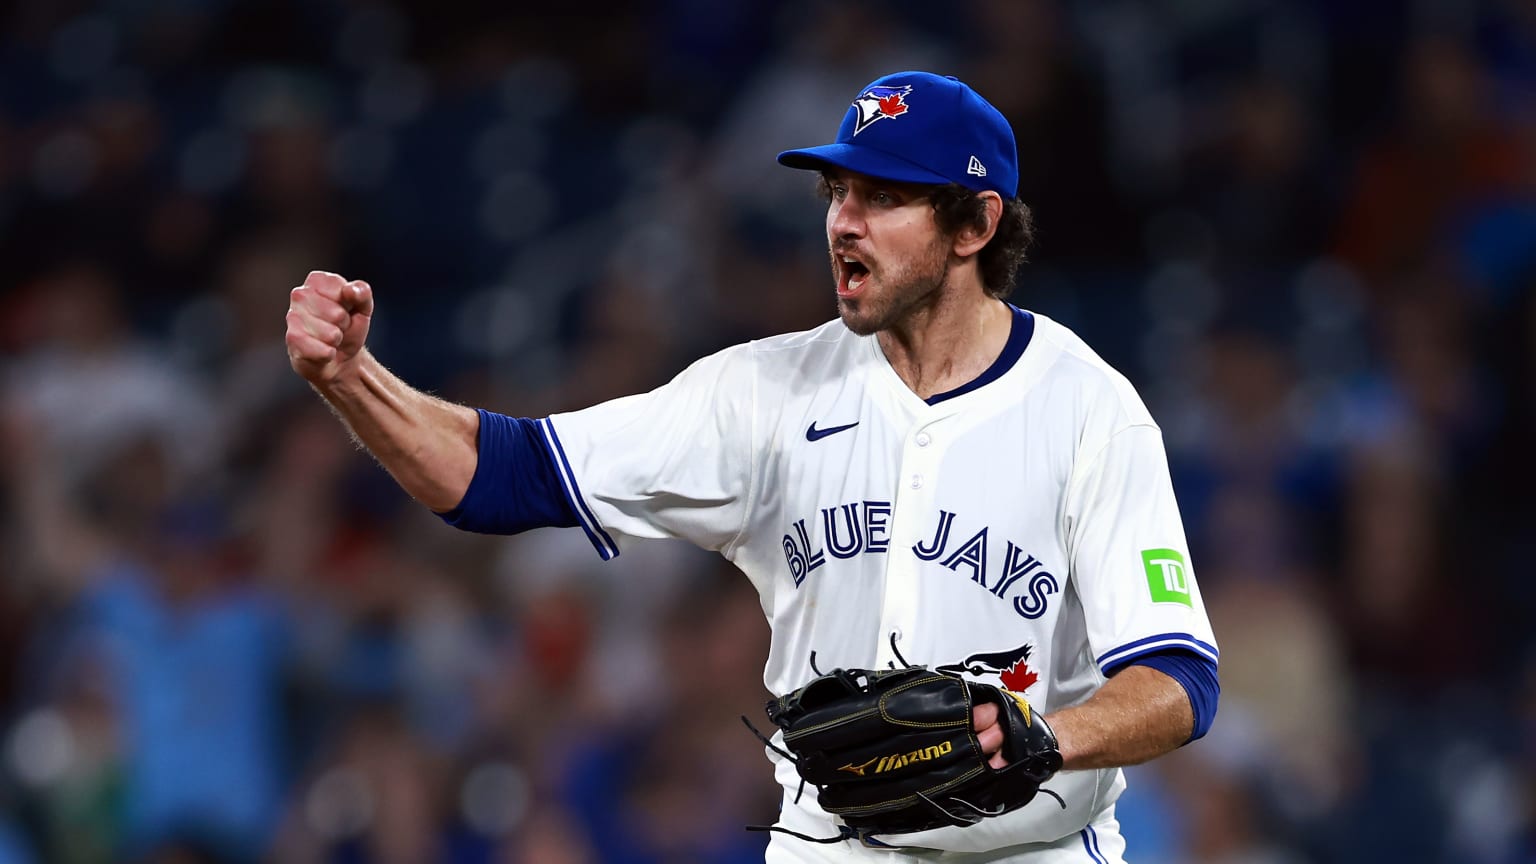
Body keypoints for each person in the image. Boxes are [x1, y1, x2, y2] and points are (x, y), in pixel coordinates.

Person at [285, 70, 1220, 863]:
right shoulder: (766, 392)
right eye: (836, 194)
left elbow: (1179, 680)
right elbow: (498, 477)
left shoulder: (1089, 411)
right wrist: (351, 377)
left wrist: (1047, 737)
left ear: (975, 225)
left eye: (884, 197)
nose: (844, 224)